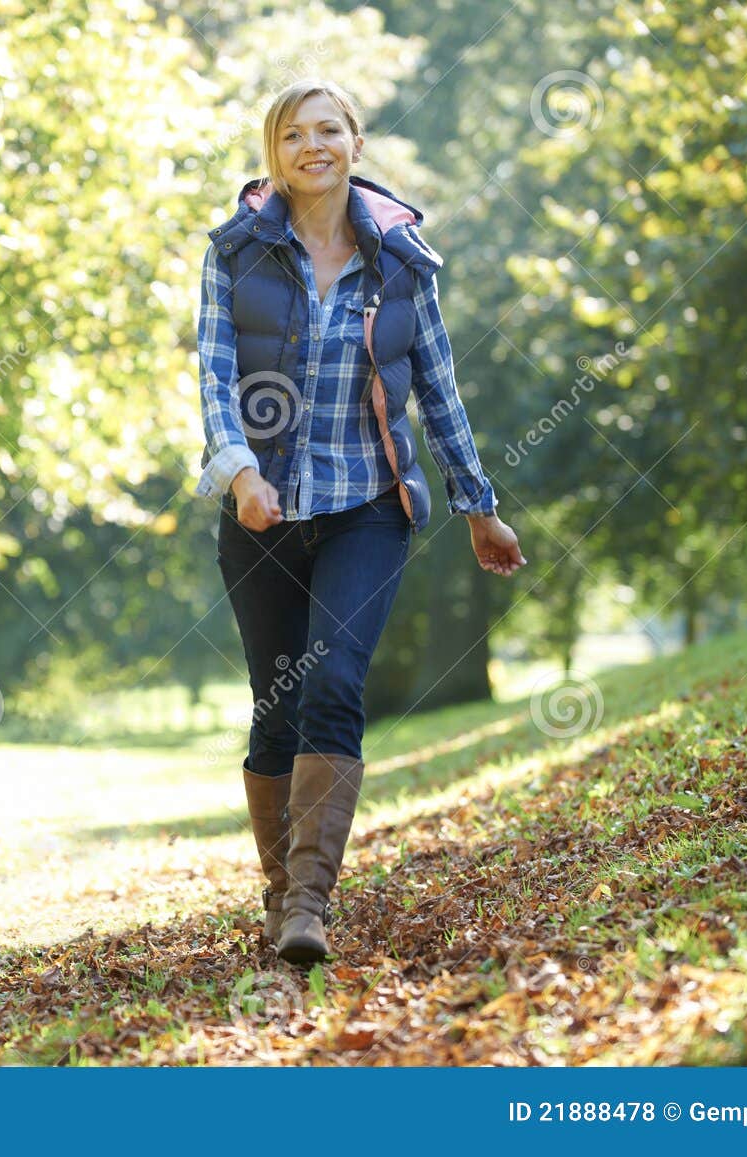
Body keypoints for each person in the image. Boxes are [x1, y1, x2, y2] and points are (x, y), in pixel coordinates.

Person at [195, 79, 526, 964]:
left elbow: (441, 389)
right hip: (262, 513)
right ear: (276, 153)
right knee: (278, 703)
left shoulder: (403, 262)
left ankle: (308, 904)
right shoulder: (234, 252)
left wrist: (478, 505)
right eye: (294, 134)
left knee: (335, 681)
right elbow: (214, 381)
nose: (314, 146)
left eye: (329, 130)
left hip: (369, 508)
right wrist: (239, 474)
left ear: (356, 141)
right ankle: (277, 893)